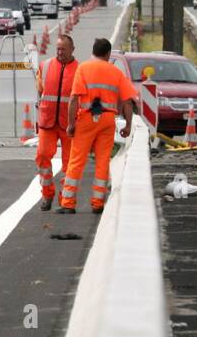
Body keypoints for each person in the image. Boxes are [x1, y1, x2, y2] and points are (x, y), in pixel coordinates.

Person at [58, 38, 136, 214]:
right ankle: (98, 203)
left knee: (77, 160)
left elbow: (73, 99)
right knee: (102, 161)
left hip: (86, 118)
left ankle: (68, 203)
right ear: (108, 54)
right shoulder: (115, 72)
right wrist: (128, 125)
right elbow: (127, 102)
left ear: (93, 52)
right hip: (108, 119)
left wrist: (71, 124)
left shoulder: (83, 68)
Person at [34, 34, 78, 211]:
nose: (60, 52)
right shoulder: (45, 66)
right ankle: (47, 194)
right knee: (43, 156)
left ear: (72, 50)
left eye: (63, 49)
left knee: (70, 164)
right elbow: (40, 91)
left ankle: (65, 200)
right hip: (47, 122)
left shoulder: (79, 70)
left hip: (69, 125)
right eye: (58, 49)